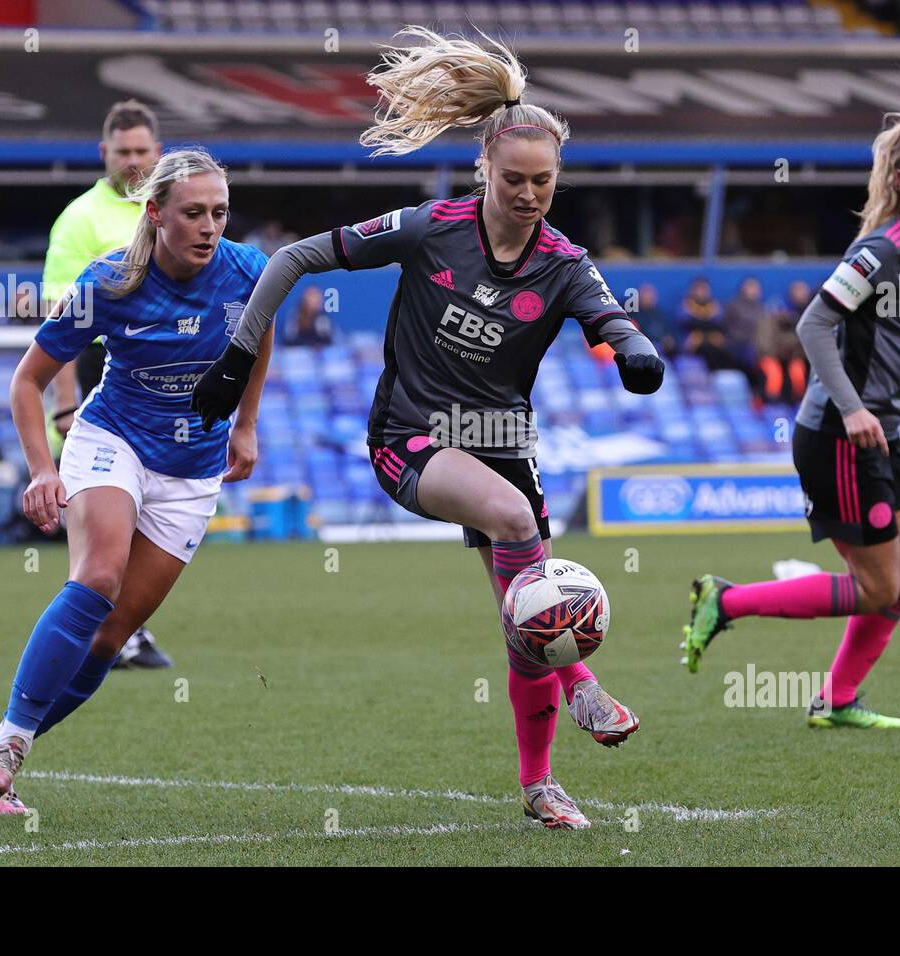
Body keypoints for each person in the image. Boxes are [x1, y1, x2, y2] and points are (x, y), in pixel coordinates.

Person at [193, 26, 664, 830]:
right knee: (523, 542)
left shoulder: (565, 261)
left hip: (503, 446)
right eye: (513, 178)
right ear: (483, 167)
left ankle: (539, 786)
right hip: (408, 434)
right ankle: (583, 688)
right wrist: (237, 360)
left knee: (527, 618)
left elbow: (611, 320)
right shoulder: (430, 227)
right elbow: (294, 258)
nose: (527, 194)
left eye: (542, 182)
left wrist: (634, 351)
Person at [681, 101, 900, 728]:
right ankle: (726, 601)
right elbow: (813, 325)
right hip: (839, 434)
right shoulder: (879, 250)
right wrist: (851, 406)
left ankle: (837, 700)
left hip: (881, 433)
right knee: (876, 587)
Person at [0, 149, 273, 815]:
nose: (209, 226)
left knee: (109, 639)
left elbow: (261, 327)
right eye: (193, 213)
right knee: (98, 578)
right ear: (155, 213)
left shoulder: (247, 272)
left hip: (193, 470)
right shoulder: (108, 283)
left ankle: (1, 744)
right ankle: (11, 738)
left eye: (219, 212)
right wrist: (43, 468)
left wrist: (246, 422)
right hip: (114, 441)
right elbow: (28, 381)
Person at [40, 99, 172, 669]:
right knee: (109, 516)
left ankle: (122, 630)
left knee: (155, 510)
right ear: (104, 154)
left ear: (158, 152)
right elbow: (57, 321)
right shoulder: (80, 220)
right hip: (105, 369)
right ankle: (100, 631)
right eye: (124, 152)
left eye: (143, 151)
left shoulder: (177, 207)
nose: (134, 162)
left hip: (169, 371)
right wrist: (66, 407)